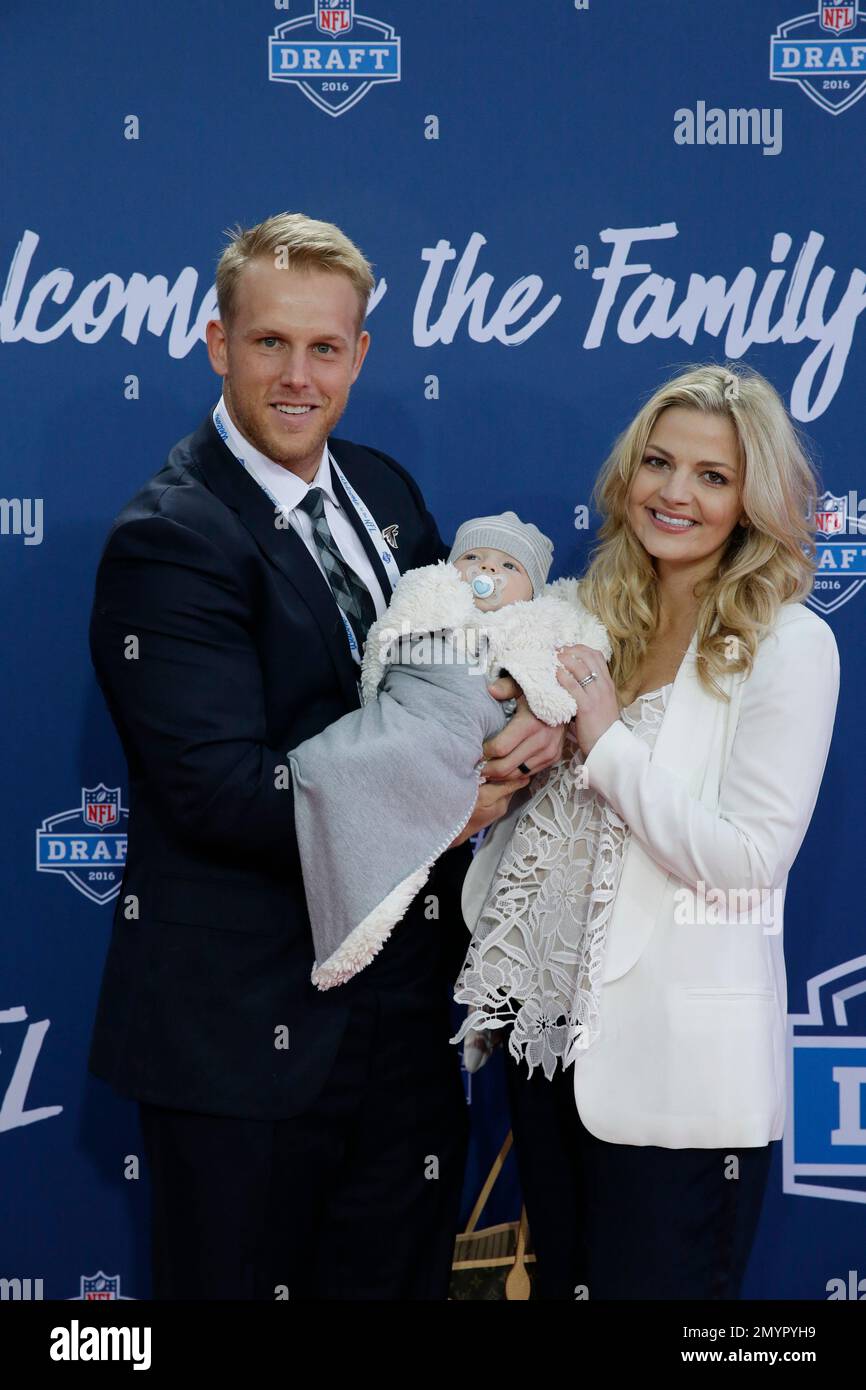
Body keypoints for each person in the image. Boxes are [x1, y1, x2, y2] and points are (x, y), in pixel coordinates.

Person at [86, 211, 562, 1301]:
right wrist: (460, 803)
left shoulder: (385, 492)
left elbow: (460, 670)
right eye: (269, 343)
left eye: (325, 348)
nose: (297, 376)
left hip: (403, 1032)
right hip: (244, 1041)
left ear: (358, 355)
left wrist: (532, 712)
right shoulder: (170, 537)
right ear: (217, 343)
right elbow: (219, 796)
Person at [455, 363, 840, 1299]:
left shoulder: (789, 644)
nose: (676, 492)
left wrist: (606, 741)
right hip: (547, 1052)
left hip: (679, 1086)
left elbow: (749, 862)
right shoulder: (586, 616)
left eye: (712, 475)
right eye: (659, 463)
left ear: (752, 500)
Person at [292, 511, 610, 990]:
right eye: (473, 558)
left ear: (533, 589)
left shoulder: (538, 620)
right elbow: (388, 646)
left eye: (508, 567)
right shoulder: (433, 600)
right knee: (327, 763)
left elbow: (560, 675)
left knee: (414, 762)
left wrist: (543, 700)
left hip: (474, 717)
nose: (487, 573)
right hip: (416, 702)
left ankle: (376, 899)